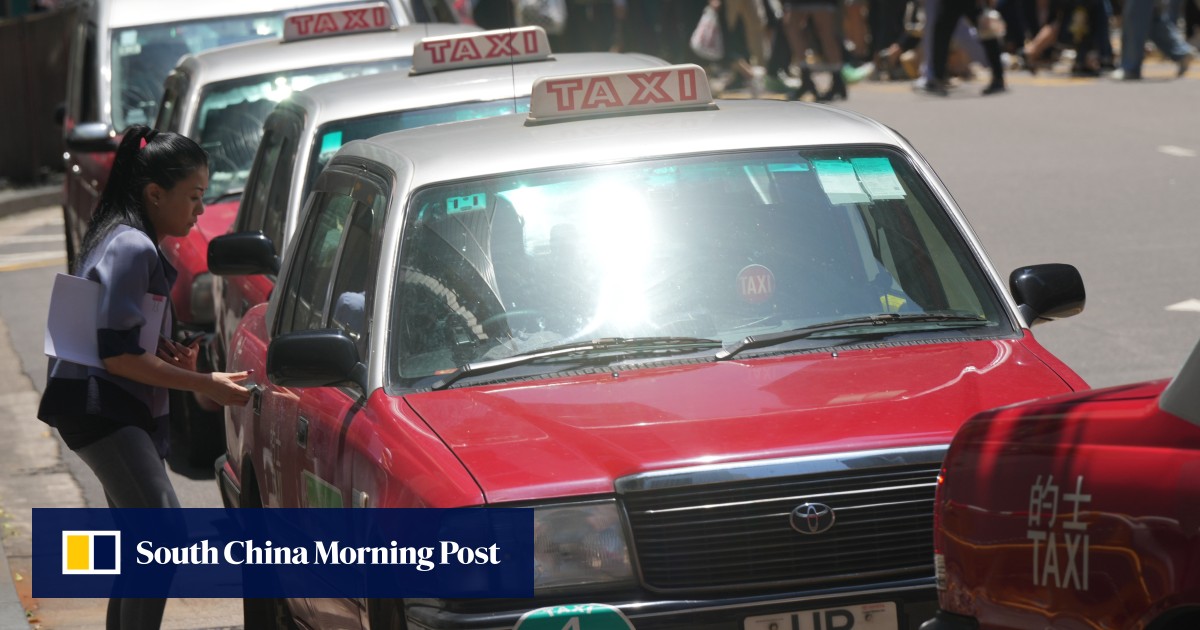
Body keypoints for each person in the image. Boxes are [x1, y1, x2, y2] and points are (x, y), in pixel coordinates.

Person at [36, 125, 251, 630]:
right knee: (165, 539)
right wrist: (205, 383)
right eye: (194, 196)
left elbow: (117, 343)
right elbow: (116, 358)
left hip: (100, 408)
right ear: (155, 193)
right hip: (102, 410)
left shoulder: (119, 236)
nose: (200, 210)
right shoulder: (132, 246)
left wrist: (169, 359)